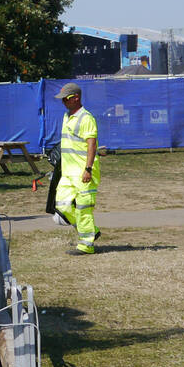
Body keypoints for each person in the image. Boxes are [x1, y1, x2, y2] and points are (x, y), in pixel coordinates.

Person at [54, 83, 102, 255]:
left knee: (83, 209)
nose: (63, 102)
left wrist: (88, 169)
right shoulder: (67, 116)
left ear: (76, 98)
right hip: (68, 173)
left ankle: (86, 244)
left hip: (84, 173)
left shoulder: (86, 118)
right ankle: (92, 231)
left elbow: (91, 145)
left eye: (66, 99)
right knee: (61, 207)